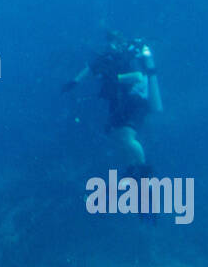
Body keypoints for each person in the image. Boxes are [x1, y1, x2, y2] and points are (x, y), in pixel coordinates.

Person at [63, 31, 163, 176]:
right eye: (109, 43)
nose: (111, 46)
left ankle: (144, 169)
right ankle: (131, 167)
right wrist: (74, 82)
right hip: (121, 101)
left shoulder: (129, 57)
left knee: (127, 136)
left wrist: (116, 78)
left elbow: (138, 76)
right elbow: (90, 69)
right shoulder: (107, 59)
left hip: (136, 100)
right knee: (117, 136)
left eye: (114, 42)